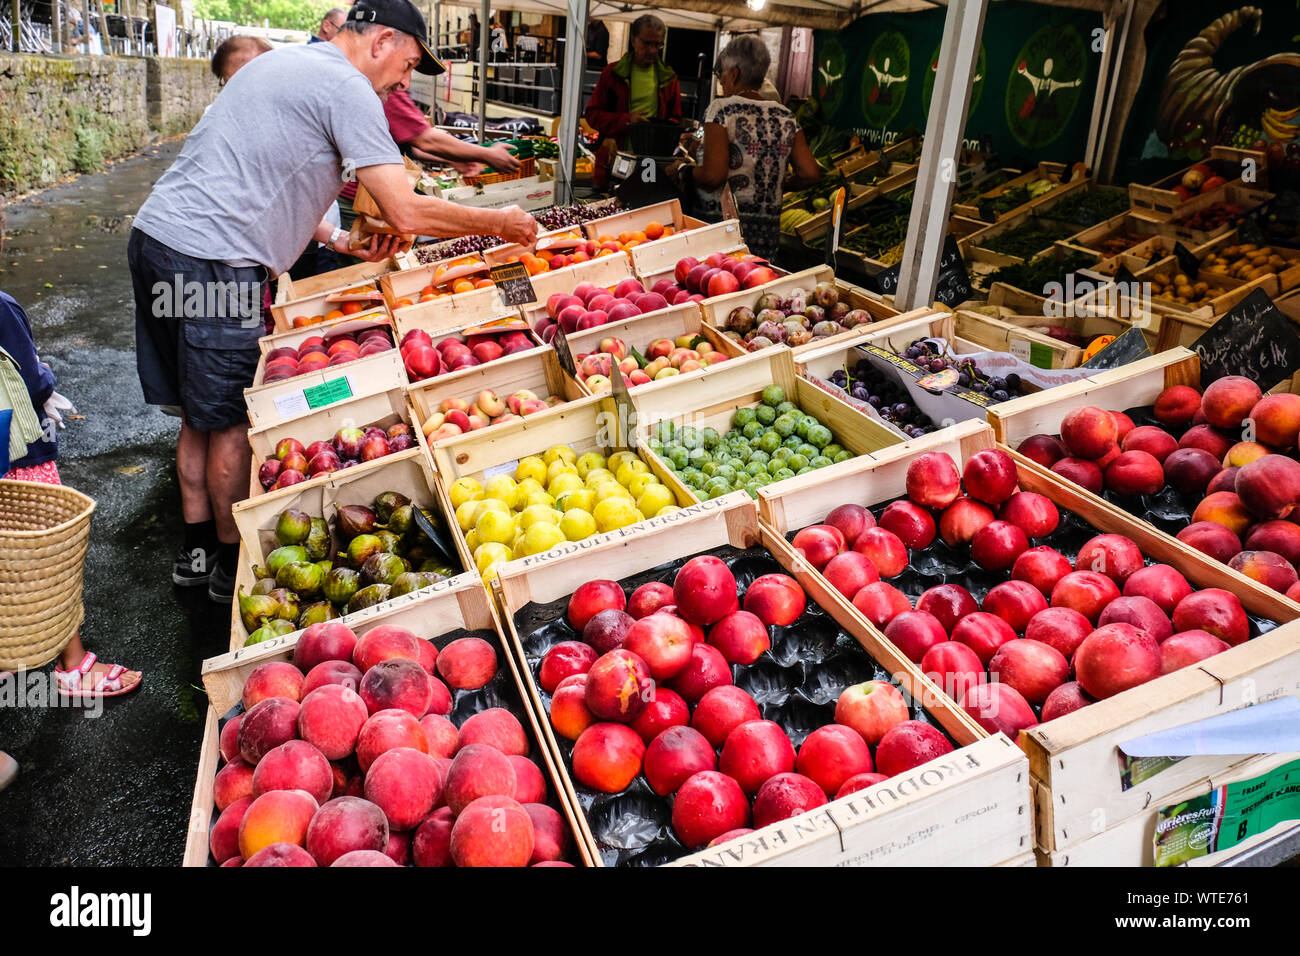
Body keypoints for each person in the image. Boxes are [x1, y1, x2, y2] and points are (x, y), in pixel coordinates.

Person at [128, 0, 538, 604]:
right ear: (382, 42)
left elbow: (266, 172)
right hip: (213, 262)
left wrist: (341, 239)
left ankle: (195, 554)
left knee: (198, 413)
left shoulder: (287, 64)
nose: (403, 82)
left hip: (159, 242)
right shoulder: (348, 89)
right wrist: (498, 221)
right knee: (231, 424)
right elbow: (402, 209)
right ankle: (225, 566)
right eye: (405, 66)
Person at [0, 288, 143, 699]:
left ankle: (9, 653)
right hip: (20, 456)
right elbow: (30, 378)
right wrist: (45, 373)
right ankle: (73, 666)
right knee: (49, 560)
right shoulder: (3, 308)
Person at [680, 35, 819, 262]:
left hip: (720, 241)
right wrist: (776, 185)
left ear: (733, 74)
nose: (723, 84)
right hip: (765, 242)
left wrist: (684, 171)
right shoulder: (785, 115)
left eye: (722, 77)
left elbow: (713, 176)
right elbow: (810, 173)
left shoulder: (722, 108)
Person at [583, 13, 681, 188]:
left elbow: (675, 118)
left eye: (657, 44)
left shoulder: (669, 78)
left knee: (646, 205)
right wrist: (627, 121)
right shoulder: (612, 73)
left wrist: (662, 131)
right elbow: (592, 114)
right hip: (614, 160)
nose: (652, 50)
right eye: (646, 43)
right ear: (634, 40)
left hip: (651, 164)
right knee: (612, 208)